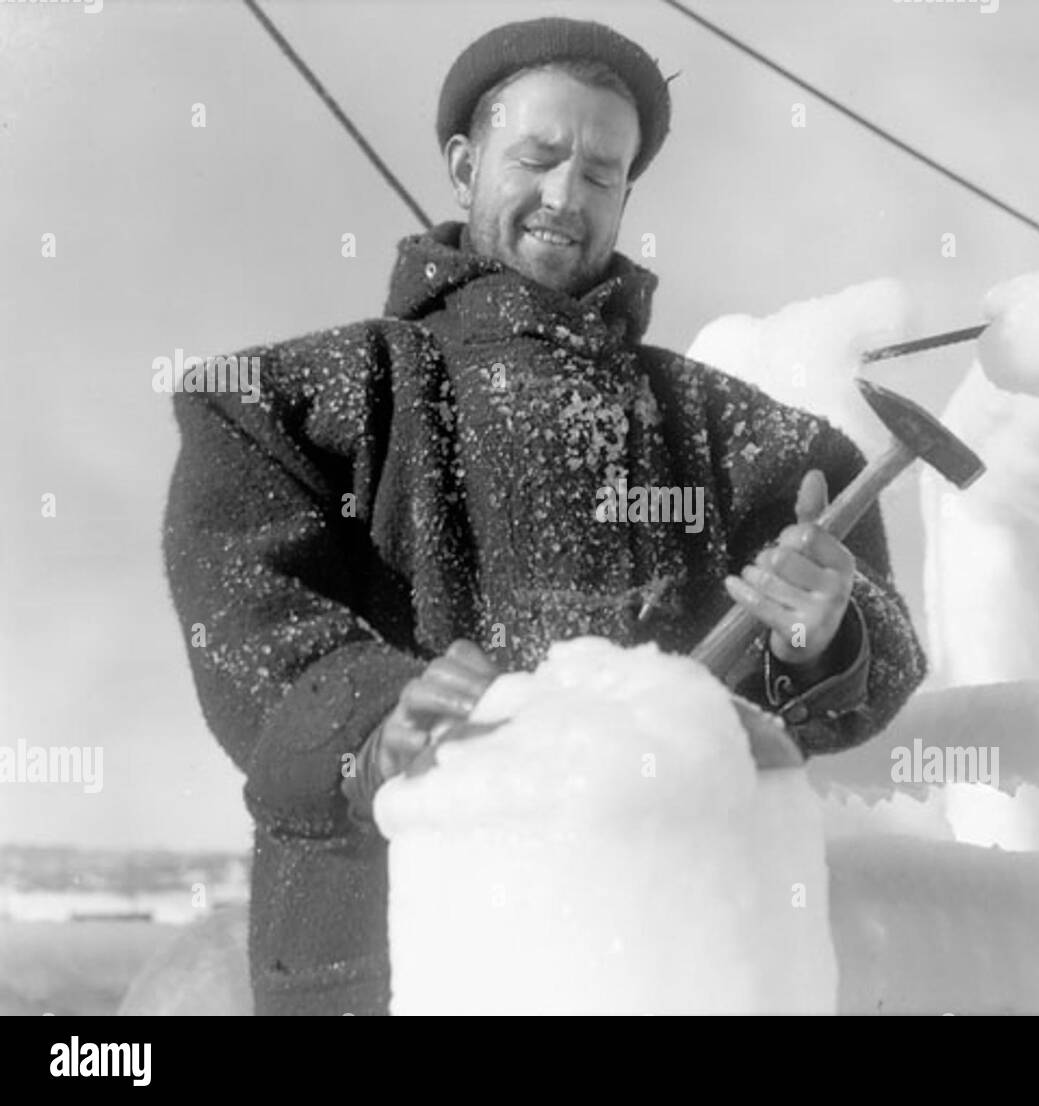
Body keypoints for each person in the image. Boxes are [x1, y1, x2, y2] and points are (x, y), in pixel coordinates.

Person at [162, 16, 926, 1016]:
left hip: (666, 950)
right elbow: (245, 605)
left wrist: (827, 630)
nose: (567, 195)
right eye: (538, 156)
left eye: (602, 171)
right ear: (462, 163)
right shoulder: (293, 399)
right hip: (379, 952)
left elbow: (862, 658)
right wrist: (373, 713)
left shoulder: (735, 432)